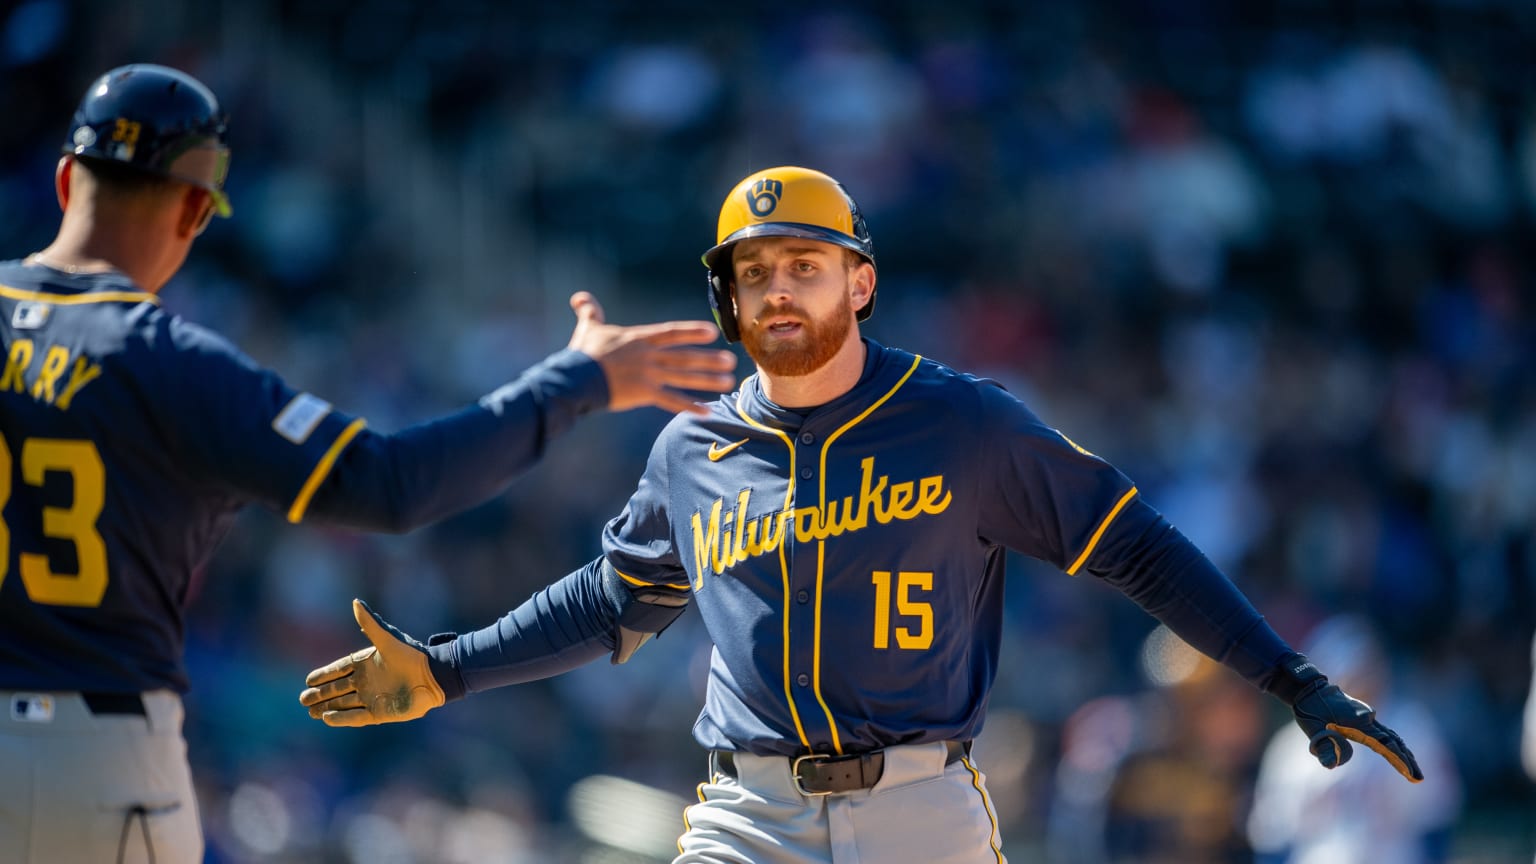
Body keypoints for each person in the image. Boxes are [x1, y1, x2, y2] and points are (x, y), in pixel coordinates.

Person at [300, 165, 1422, 863]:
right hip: (751, 814)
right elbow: (613, 602)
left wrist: (1291, 678)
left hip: (922, 815)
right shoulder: (692, 450)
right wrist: (449, 670)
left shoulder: (963, 422)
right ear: (728, 298)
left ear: (861, 281)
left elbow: (1136, 546)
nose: (779, 289)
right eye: (754, 272)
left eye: (806, 263)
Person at [0, 63, 736, 864]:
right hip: (98, 754)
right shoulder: (166, 360)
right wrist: (576, 381)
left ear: (65, 180)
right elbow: (389, 484)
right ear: (193, 210)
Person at [1247, 615, 1460, 864]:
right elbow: (1271, 840)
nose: (1362, 680)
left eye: (1367, 669)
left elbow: (1437, 820)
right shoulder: (1290, 750)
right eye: (1351, 673)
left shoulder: (1413, 729)